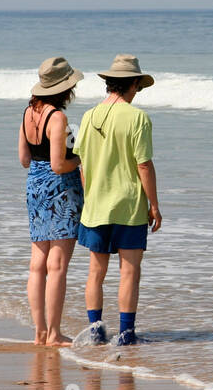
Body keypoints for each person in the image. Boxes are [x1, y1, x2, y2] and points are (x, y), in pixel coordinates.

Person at [75, 54, 162, 345]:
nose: (138, 91)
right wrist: (155, 206)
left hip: (96, 204)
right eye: (138, 85)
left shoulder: (88, 117)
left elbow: (83, 163)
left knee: (95, 271)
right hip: (128, 205)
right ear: (133, 83)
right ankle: (126, 333)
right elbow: (144, 165)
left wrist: (90, 196)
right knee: (130, 271)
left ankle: (96, 330)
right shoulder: (138, 118)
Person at [18, 56, 85, 346]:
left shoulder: (28, 113)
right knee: (57, 265)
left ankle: (39, 332)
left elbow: (24, 159)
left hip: (34, 185)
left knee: (38, 264)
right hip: (59, 191)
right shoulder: (57, 118)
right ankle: (55, 334)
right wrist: (81, 158)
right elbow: (59, 164)